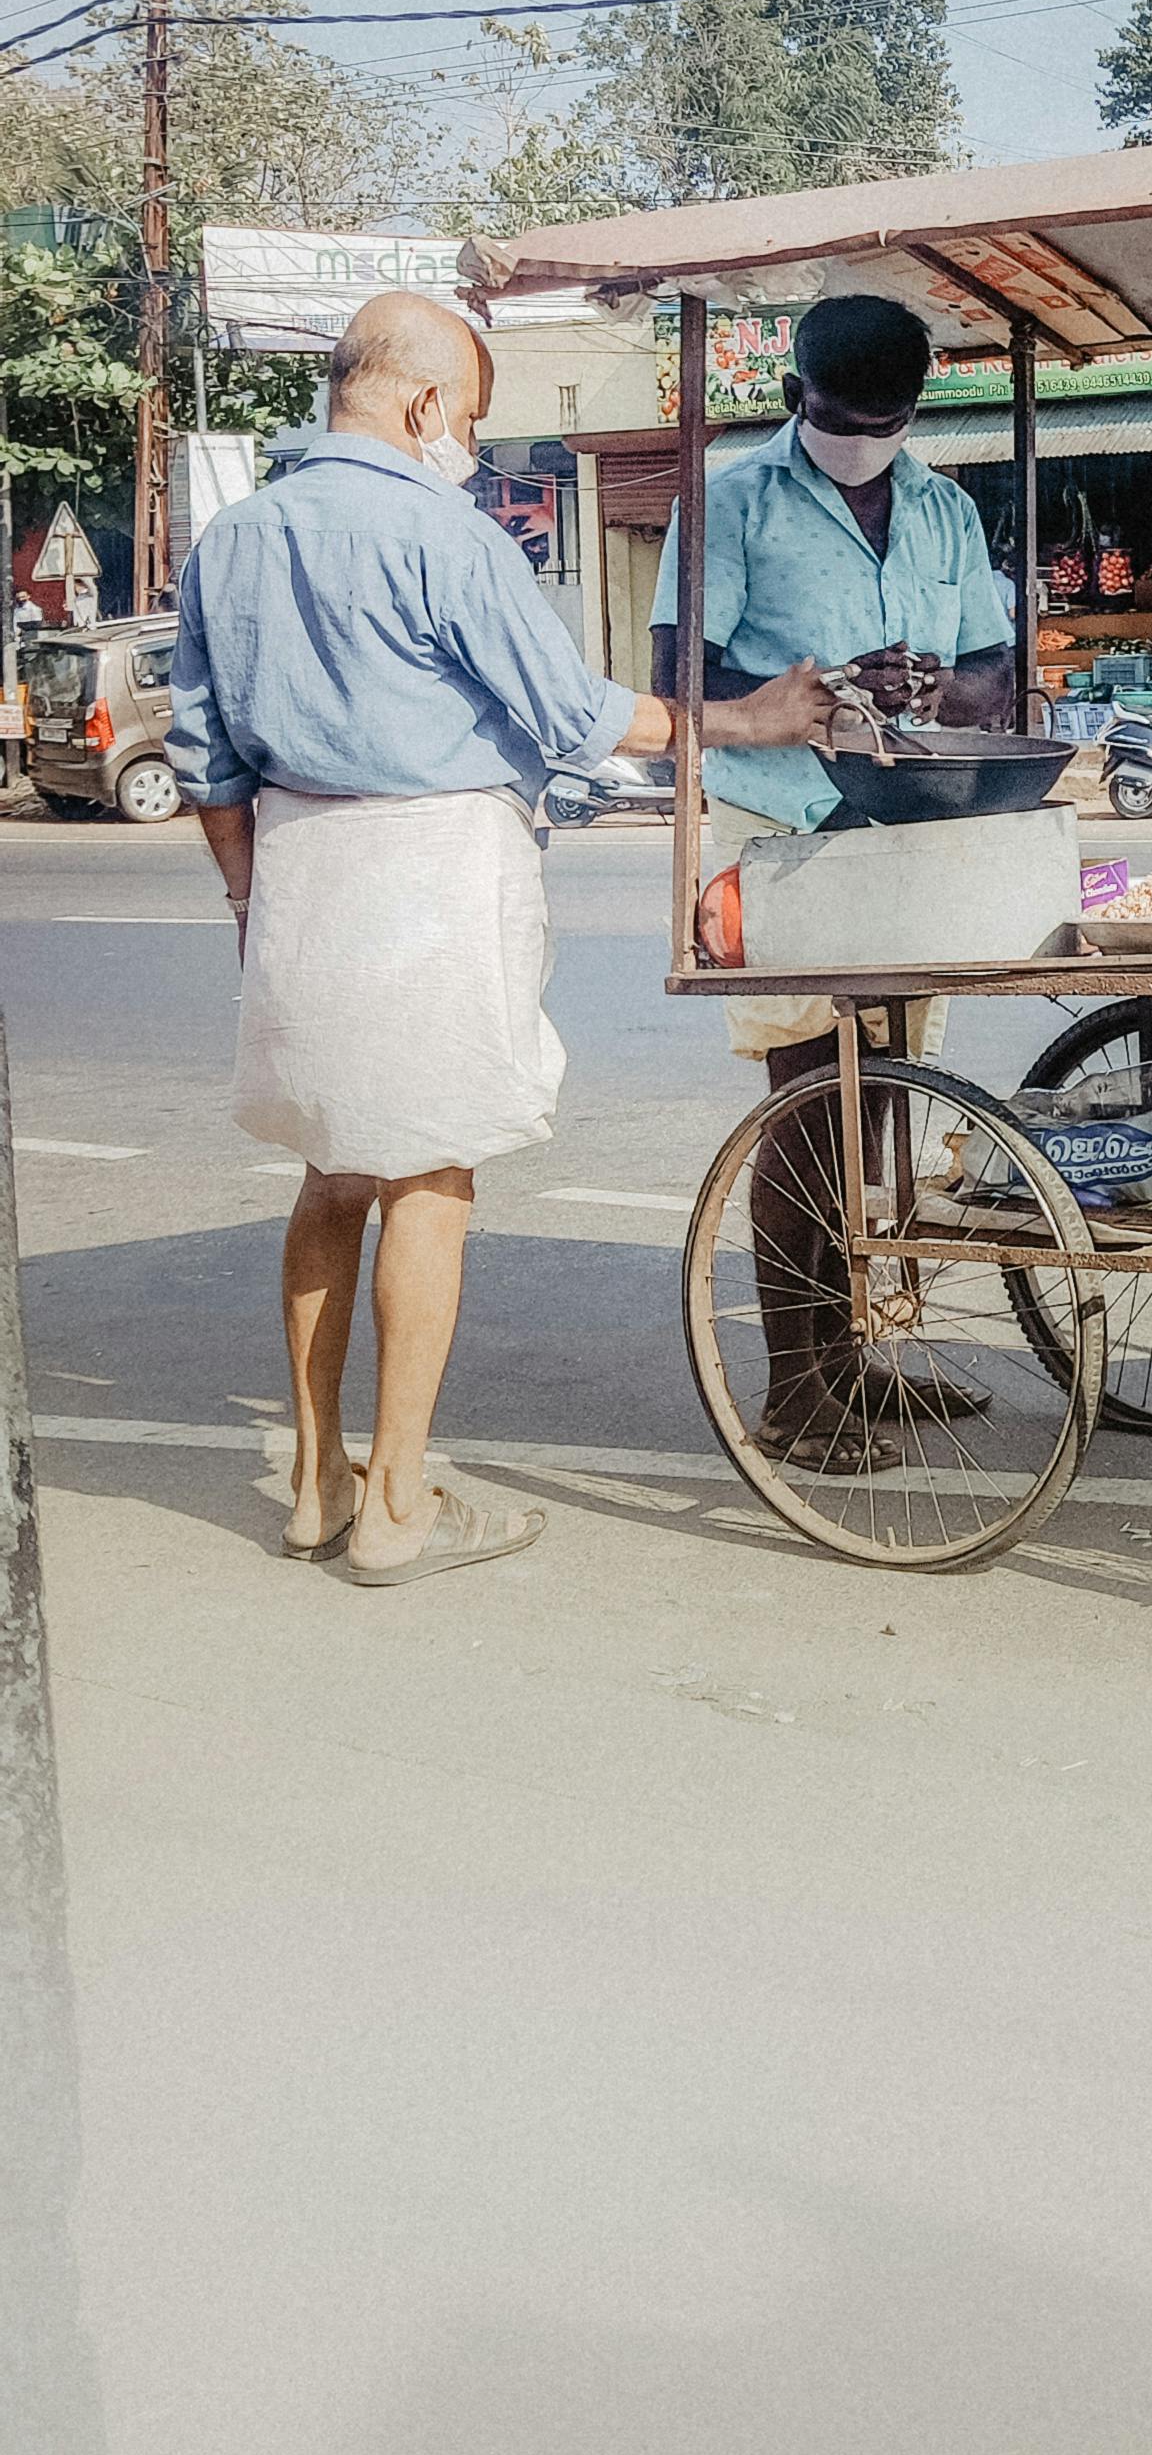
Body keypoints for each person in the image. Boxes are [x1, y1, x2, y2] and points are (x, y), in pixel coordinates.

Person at [169, 291, 836, 1587]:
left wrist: (255, 903)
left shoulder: (235, 540)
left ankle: (316, 1482)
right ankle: (401, 1503)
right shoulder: (445, 535)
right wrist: (747, 723)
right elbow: (571, 712)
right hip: (429, 867)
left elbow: (204, 760)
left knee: (329, 1174)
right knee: (432, 1176)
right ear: (424, 406)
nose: (467, 441)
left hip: (297, 866)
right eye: (468, 418)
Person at [654, 292, 1022, 1464]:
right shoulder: (731, 503)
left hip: (904, 832)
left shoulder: (943, 509)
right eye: (845, 417)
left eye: (891, 418)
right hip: (779, 828)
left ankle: (852, 1356)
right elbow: (679, 688)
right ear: (794, 399)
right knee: (808, 1101)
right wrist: (796, 702)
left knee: (879, 1108)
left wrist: (930, 692)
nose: (869, 436)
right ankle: (792, 1390)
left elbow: (994, 673)